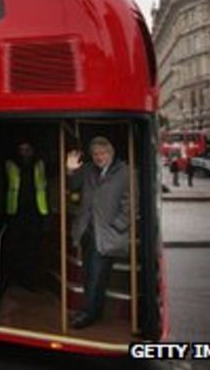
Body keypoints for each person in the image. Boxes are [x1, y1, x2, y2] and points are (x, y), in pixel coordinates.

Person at [65, 136, 130, 330]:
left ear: (111, 154)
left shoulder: (124, 173)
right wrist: (70, 168)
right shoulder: (87, 170)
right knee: (89, 274)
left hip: (106, 234)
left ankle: (88, 314)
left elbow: (131, 206)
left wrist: (116, 226)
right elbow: (73, 184)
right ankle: (93, 310)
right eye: (95, 154)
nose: (99, 157)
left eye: (102, 153)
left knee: (96, 276)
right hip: (87, 231)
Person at [3, 141, 49, 291]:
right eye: (21, 149)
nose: (24, 152)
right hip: (15, 212)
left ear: (33, 150)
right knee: (16, 247)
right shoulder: (10, 164)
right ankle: (16, 278)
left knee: (33, 248)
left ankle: (31, 280)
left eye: (27, 149)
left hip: (36, 212)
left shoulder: (40, 164)